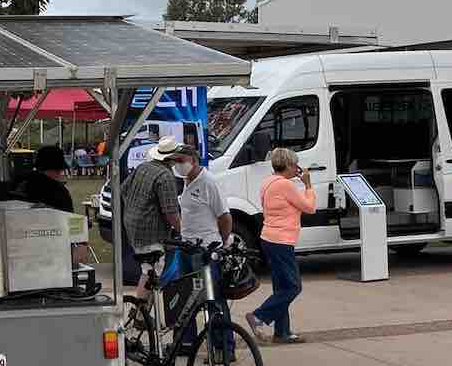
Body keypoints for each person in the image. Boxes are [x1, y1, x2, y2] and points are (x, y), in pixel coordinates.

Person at [245, 147, 316, 344]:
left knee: (281, 287)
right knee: (293, 287)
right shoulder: (285, 185)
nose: (297, 170)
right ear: (288, 165)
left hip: (269, 237)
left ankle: (282, 331)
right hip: (281, 241)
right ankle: (258, 316)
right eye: (295, 165)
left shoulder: (268, 182)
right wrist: (308, 185)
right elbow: (309, 207)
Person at [172, 143, 233, 352]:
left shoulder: (208, 183)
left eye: (181, 161)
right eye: (175, 161)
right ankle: (186, 342)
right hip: (186, 247)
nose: (177, 165)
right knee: (186, 297)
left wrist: (222, 243)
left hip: (205, 250)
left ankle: (223, 347)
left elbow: (224, 217)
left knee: (212, 299)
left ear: (194, 161)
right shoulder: (186, 181)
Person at [121, 136, 184, 297]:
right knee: (152, 271)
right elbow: (170, 212)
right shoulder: (165, 176)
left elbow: (123, 189)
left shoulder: (143, 167)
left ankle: (144, 312)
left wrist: (136, 207)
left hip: (131, 224)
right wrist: (183, 232)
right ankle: (141, 313)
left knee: (148, 268)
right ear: (173, 158)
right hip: (150, 231)